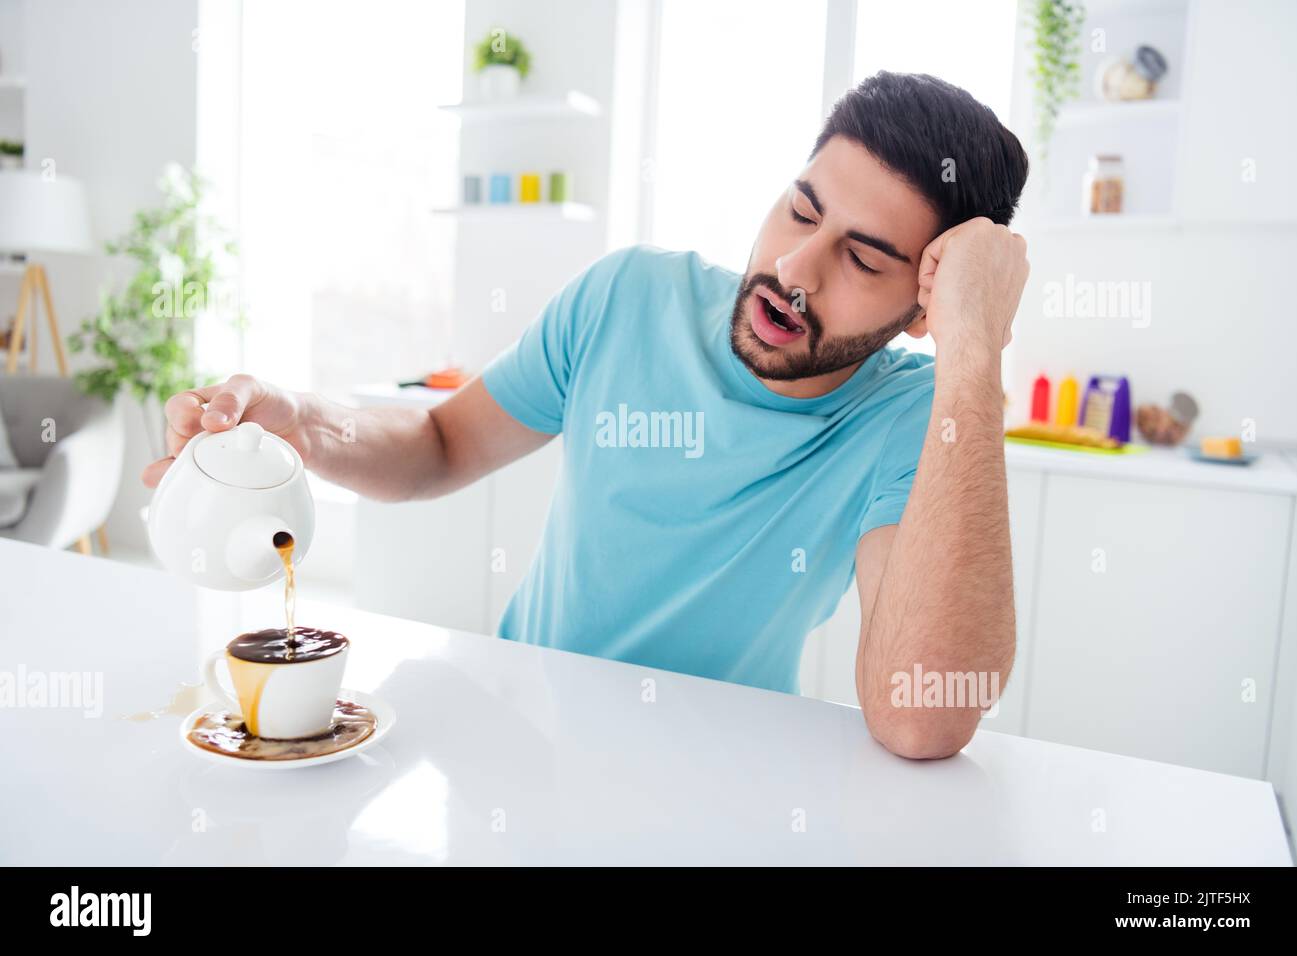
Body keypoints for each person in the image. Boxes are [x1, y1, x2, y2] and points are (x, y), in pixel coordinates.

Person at [145, 72, 1030, 759]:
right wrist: (303, 422)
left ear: (924, 306)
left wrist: (973, 353)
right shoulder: (626, 296)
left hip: (723, 775)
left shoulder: (915, 415)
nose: (797, 269)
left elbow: (921, 718)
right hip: (519, 738)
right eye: (801, 209)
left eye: (863, 259)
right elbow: (442, 444)